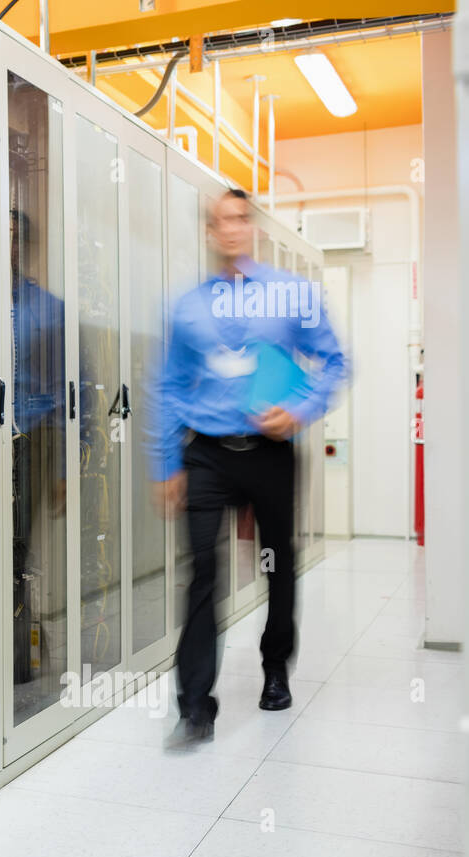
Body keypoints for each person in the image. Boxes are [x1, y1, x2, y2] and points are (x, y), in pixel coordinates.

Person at [148, 188, 347, 744]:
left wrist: (302, 410)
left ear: (250, 227)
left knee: (277, 563)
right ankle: (195, 705)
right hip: (206, 452)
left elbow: (334, 362)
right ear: (210, 233)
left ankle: (275, 666)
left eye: (239, 218)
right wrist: (166, 463)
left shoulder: (291, 295)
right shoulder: (187, 307)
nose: (231, 229)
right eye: (220, 221)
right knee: (202, 573)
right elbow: (165, 386)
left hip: (269, 452)